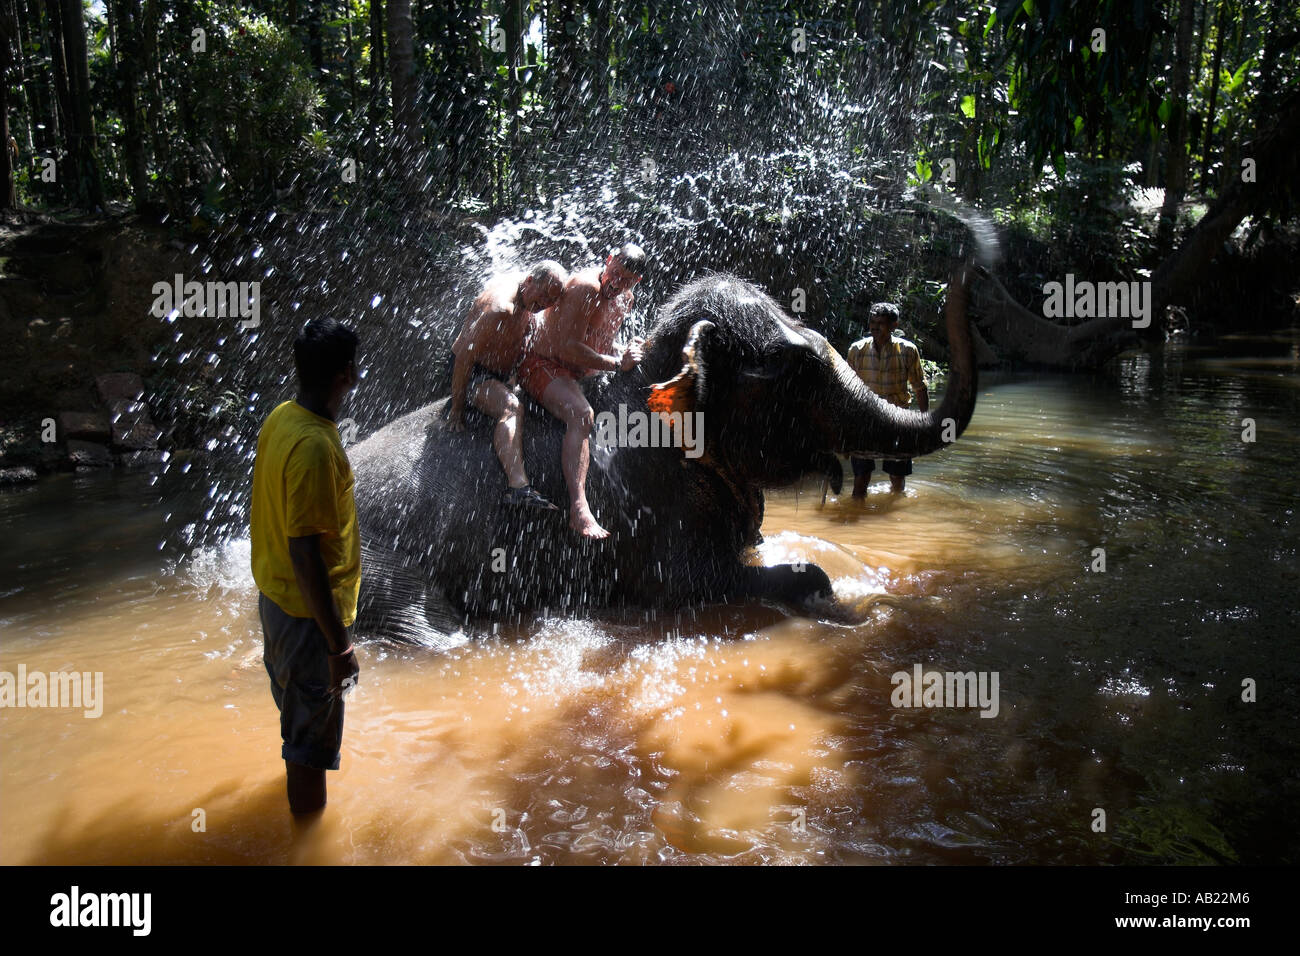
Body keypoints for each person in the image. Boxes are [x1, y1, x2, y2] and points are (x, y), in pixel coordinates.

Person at [250, 318, 362, 817]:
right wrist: (340, 646)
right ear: (347, 375)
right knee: (310, 750)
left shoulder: (282, 418)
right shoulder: (316, 446)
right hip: (308, 623)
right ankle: (308, 843)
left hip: (277, 606)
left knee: (299, 724)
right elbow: (305, 554)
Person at [516, 243, 646, 538]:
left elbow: (598, 342)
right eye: (614, 273)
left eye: (625, 280)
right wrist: (616, 363)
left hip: (577, 374)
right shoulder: (584, 288)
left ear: (635, 282)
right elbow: (568, 348)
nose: (616, 283)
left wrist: (628, 353)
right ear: (608, 260)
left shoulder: (627, 299)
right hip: (542, 364)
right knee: (582, 415)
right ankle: (579, 509)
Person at [448, 261, 566, 510]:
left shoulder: (528, 298)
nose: (544, 303)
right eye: (543, 295)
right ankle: (518, 486)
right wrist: (457, 408)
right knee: (511, 408)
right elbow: (464, 358)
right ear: (530, 280)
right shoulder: (500, 307)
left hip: (500, 373)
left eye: (550, 300)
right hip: (475, 374)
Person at [846, 302, 929, 496]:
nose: (874, 327)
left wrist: (925, 422)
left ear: (894, 326)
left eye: (880, 323)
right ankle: (856, 515)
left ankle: (895, 514)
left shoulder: (908, 351)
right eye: (872, 322)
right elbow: (847, 389)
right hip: (865, 419)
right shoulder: (857, 350)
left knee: (898, 479)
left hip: (897, 419)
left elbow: (920, 387)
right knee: (860, 478)